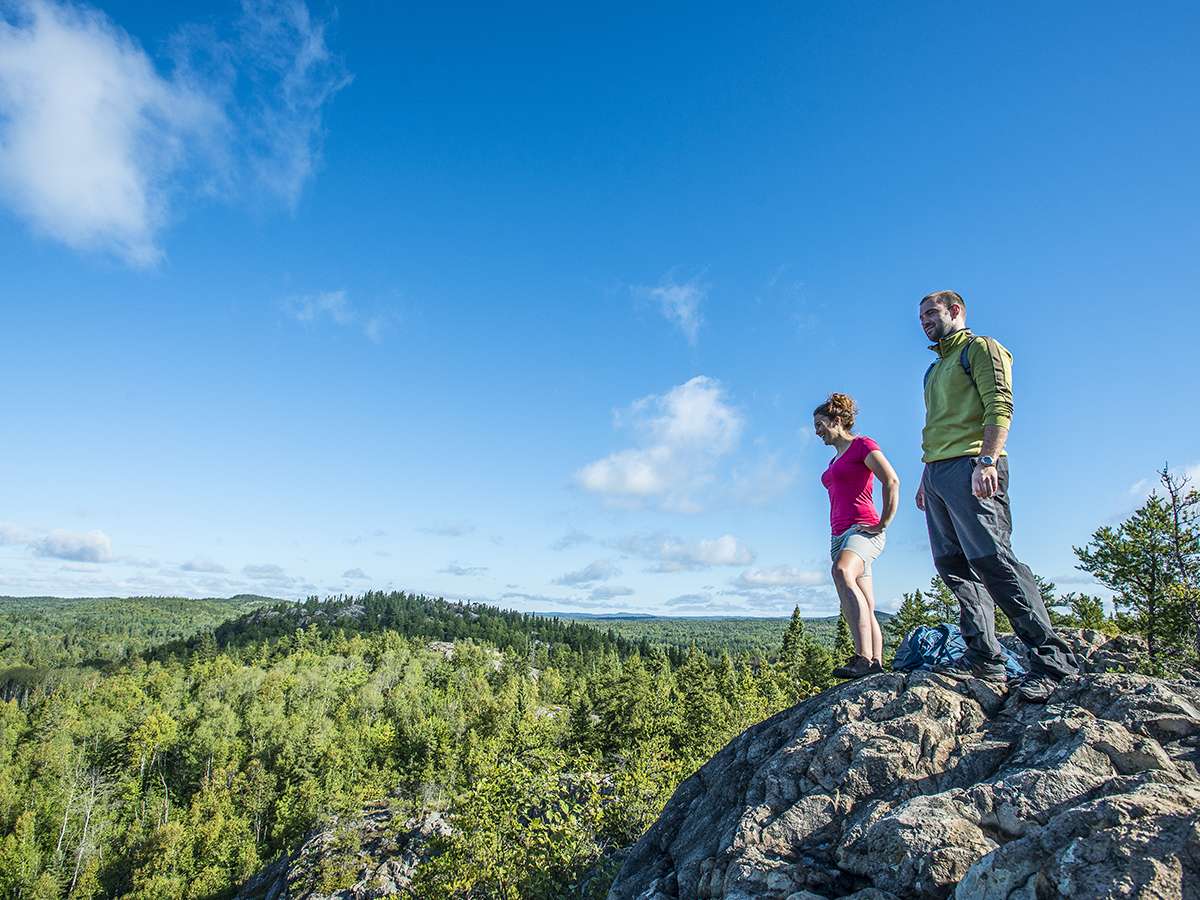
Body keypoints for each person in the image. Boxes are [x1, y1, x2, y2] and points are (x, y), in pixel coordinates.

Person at [915, 290, 1079, 702]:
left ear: (956, 311)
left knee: (995, 562)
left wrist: (988, 460)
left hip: (974, 466)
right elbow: (937, 426)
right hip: (938, 473)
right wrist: (926, 476)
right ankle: (984, 656)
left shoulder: (980, 349)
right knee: (953, 565)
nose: (924, 321)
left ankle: (1052, 661)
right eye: (921, 316)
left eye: (932, 313)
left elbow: (1000, 404)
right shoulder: (935, 368)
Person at [814, 392, 900, 679]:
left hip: (862, 529)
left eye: (820, 424)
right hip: (838, 535)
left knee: (841, 572)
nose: (817, 432)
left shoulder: (862, 445)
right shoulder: (833, 461)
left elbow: (891, 479)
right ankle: (875, 662)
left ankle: (862, 657)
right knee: (865, 600)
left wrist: (884, 522)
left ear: (837, 421)